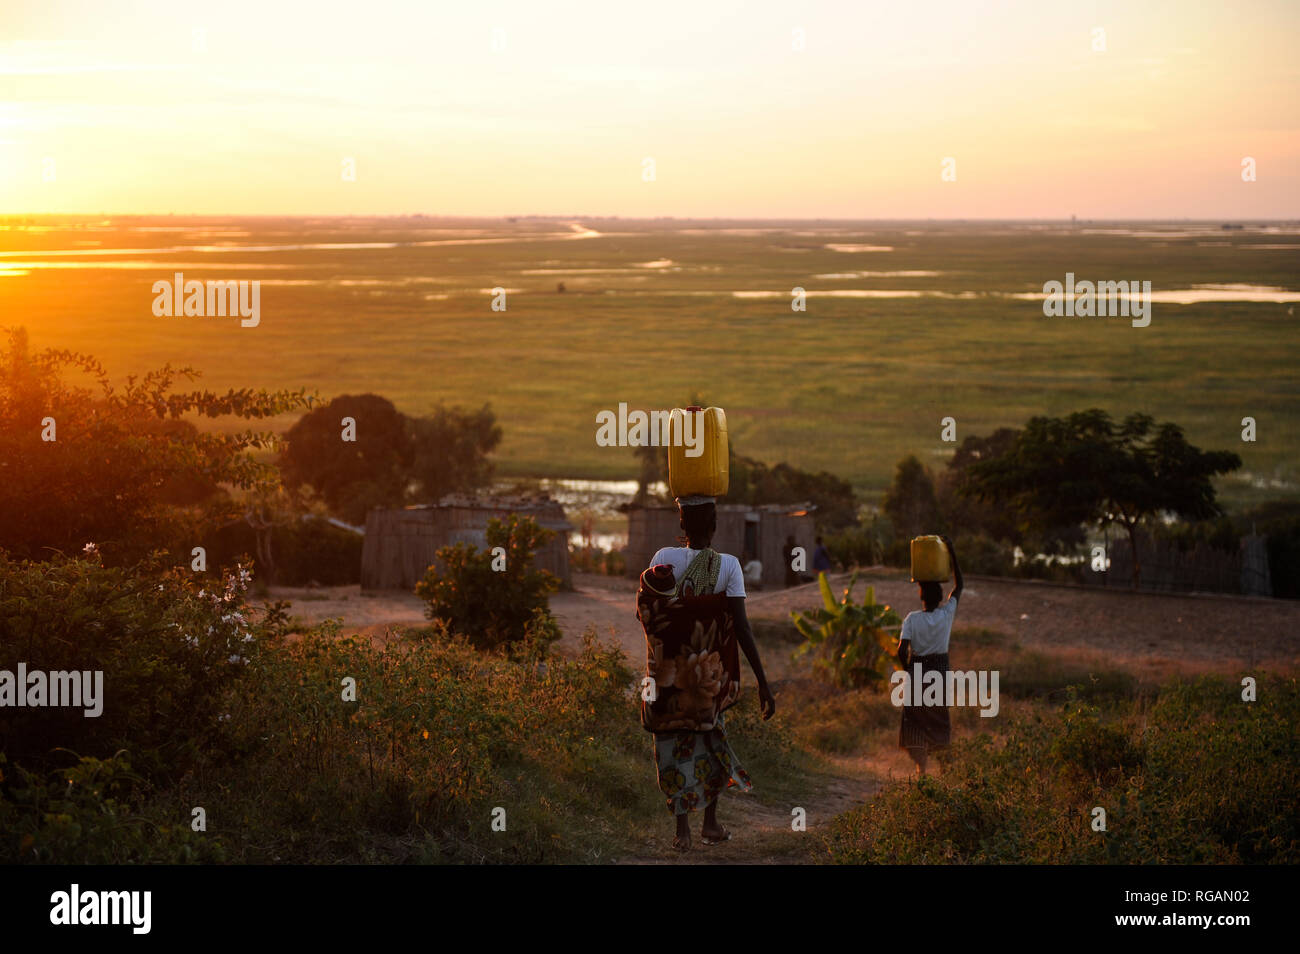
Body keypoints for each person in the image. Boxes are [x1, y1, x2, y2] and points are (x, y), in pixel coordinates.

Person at [637, 496, 776, 852]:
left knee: (673, 749)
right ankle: (710, 824)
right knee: (712, 746)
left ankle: (682, 830)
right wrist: (762, 681)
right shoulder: (728, 566)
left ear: (681, 525)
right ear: (715, 526)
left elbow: (646, 616)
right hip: (707, 683)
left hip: (667, 682)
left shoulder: (661, 560)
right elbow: (741, 628)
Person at [895, 534, 962, 777]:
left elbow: (901, 651)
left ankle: (921, 770)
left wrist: (908, 671)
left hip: (918, 671)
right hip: (941, 673)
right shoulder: (947, 614)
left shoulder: (912, 619)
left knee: (915, 719)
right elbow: (959, 586)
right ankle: (945, 769)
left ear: (920, 596)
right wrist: (952, 553)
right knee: (938, 718)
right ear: (939, 598)